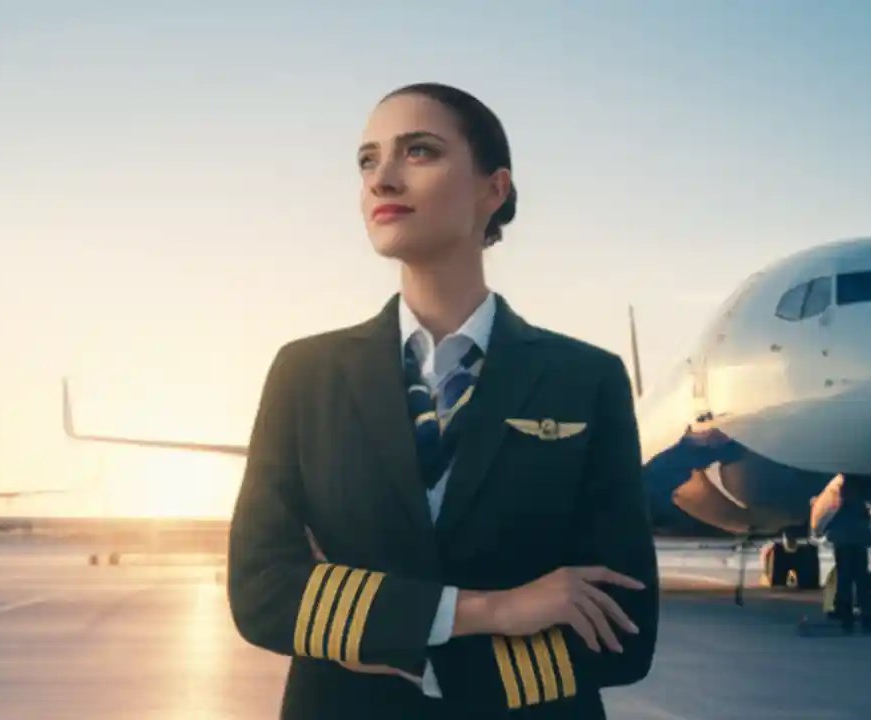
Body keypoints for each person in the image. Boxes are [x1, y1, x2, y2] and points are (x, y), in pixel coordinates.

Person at [227, 82, 660, 719]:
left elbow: (623, 629)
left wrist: (374, 630)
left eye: (419, 152)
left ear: (495, 189)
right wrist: (493, 612)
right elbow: (263, 593)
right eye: (368, 161)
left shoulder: (585, 378)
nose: (383, 179)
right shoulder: (305, 374)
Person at [823, 477, 871, 633]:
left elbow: (829, 525)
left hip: (844, 545)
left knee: (845, 582)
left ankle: (847, 619)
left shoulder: (839, 507)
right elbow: (866, 522)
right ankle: (865, 619)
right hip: (858, 545)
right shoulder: (859, 507)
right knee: (861, 582)